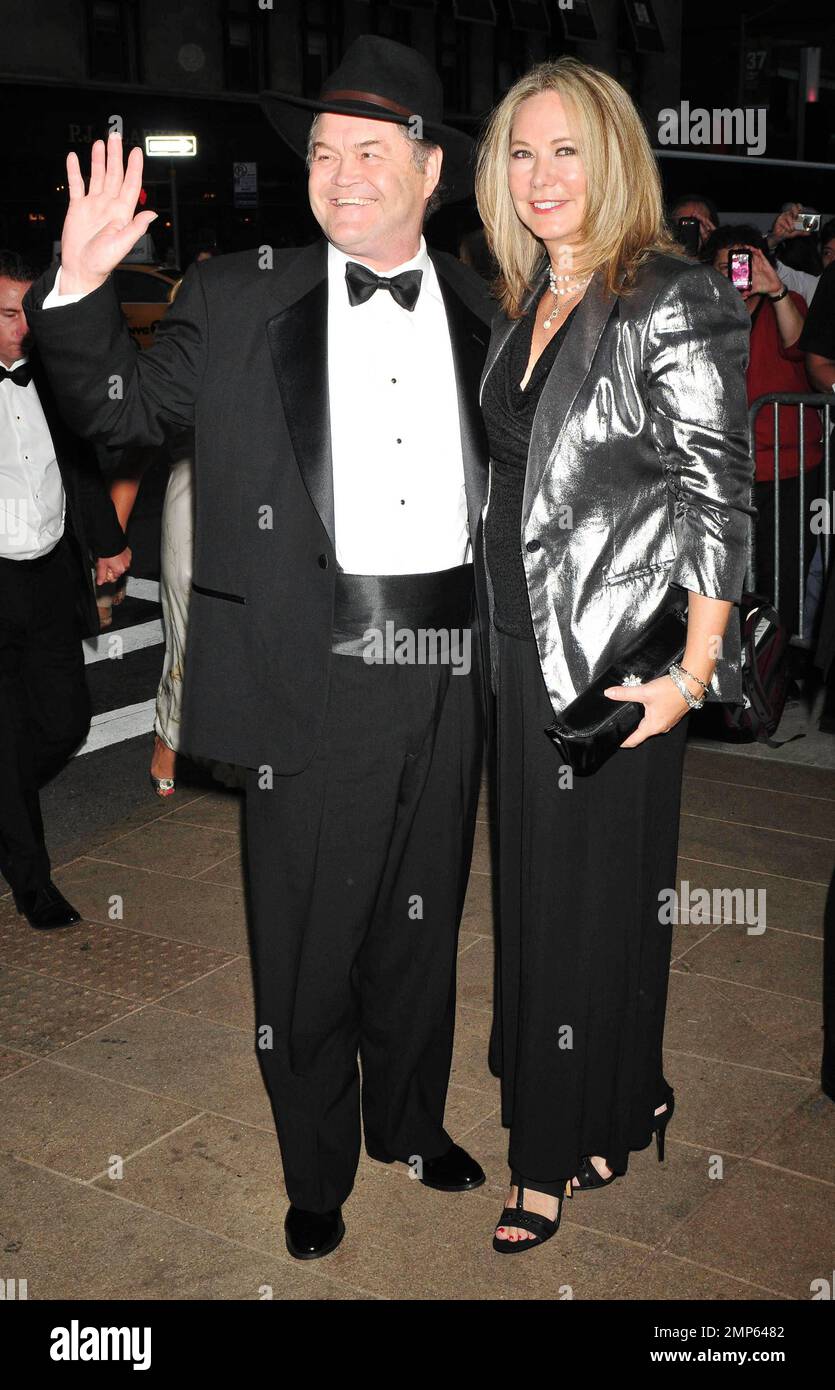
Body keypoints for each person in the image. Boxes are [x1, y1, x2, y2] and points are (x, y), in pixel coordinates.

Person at [23, 36, 495, 1260]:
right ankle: (315, 1168)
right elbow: (125, 412)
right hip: (306, 670)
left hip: (445, 664)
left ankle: (409, 1123)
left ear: (429, 171)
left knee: (419, 919)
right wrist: (74, 292)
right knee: (304, 939)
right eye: (324, 154)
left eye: (370, 153)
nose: (339, 175)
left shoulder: (491, 308)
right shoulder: (239, 295)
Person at [474, 58, 753, 1251]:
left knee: (574, 904)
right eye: (521, 153)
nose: (542, 176)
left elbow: (718, 497)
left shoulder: (669, 294)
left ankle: (544, 1155)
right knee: (574, 898)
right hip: (509, 644)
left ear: (613, 156)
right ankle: (619, 1098)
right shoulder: (524, 295)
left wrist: (687, 681)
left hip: (611, 665)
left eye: (566, 150)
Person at [0, 249, 130, 928]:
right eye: (5, 313)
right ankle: (33, 882)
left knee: (64, 723)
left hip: (50, 573)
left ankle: (7, 799)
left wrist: (107, 542)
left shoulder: (54, 379)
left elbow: (82, 467)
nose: (21, 327)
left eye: (29, 312)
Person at [703, 224, 822, 635]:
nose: (739, 275)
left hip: (792, 474)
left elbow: (800, 349)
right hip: (724, 474)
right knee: (725, 582)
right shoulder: (701, 315)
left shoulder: (791, 305)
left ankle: (774, 676)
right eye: (727, 266)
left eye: (748, 264)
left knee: (783, 582)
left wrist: (776, 292)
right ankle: (730, 675)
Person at [671, 194, 819, 305]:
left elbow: (775, 277)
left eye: (697, 225)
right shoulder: (657, 266)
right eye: (683, 225)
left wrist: (718, 246)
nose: (689, 231)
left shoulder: (731, 268)